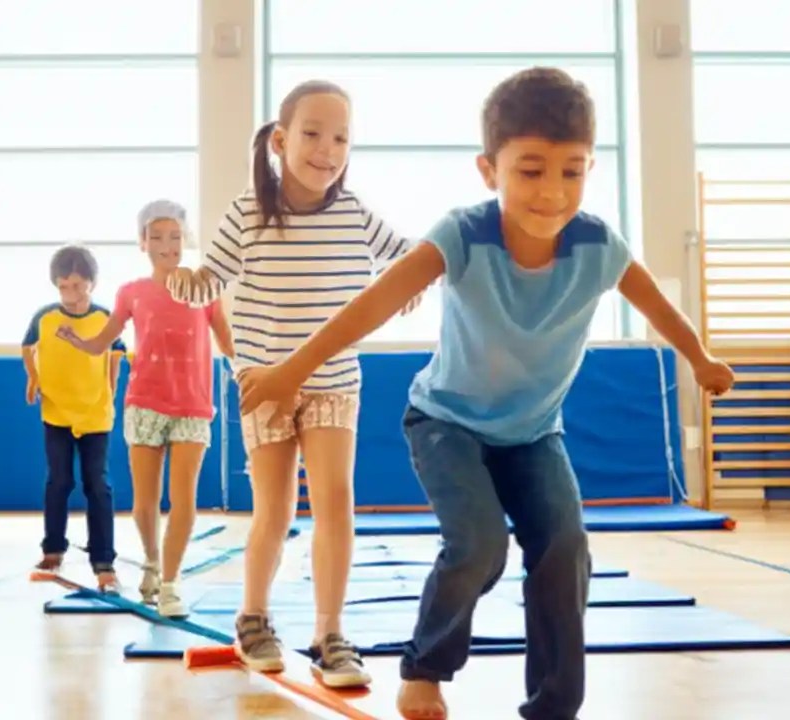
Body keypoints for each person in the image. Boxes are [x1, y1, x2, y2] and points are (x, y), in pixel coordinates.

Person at [234, 67, 736, 720]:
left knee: (565, 549)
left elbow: (656, 304)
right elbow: (373, 304)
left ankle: (554, 704)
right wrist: (292, 370)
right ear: (488, 169)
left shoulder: (596, 245)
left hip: (534, 434)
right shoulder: (464, 234)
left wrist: (699, 357)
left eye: (572, 171)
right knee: (478, 545)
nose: (552, 192)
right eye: (530, 170)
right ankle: (425, 667)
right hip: (447, 424)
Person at [170, 79, 418, 688]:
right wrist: (186, 284)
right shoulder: (249, 211)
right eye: (312, 134)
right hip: (265, 381)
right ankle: (252, 617)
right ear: (281, 141)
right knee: (275, 510)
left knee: (336, 501)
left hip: (333, 382)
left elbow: (408, 256)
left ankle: (330, 633)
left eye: (341, 138)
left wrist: (411, 280)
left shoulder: (353, 213)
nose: (327, 150)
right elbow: (210, 280)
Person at [57, 200, 233, 618]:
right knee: (144, 503)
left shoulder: (205, 290)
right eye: (157, 237)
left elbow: (228, 343)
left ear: (185, 240)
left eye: (175, 237)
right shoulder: (132, 292)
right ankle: (152, 561)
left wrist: (260, 365)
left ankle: (170, 583)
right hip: (145, 404)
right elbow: (103, 342)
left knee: (184, 499)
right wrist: (77, 341)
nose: (167, 245)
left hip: (192, 406)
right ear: (143, 243)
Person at [23, 244, 125, 592]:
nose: (70, 293)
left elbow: (117, 354)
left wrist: (111, 390)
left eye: (77, 286)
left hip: (95, 414)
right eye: (63, 286)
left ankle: (104, 561)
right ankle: (52, 550)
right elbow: (27, 346)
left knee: (98, 484)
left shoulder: (104, 318)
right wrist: (33, 378)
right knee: (59, 481)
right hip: (57, 413)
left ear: (92, 283)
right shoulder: (45, 317)